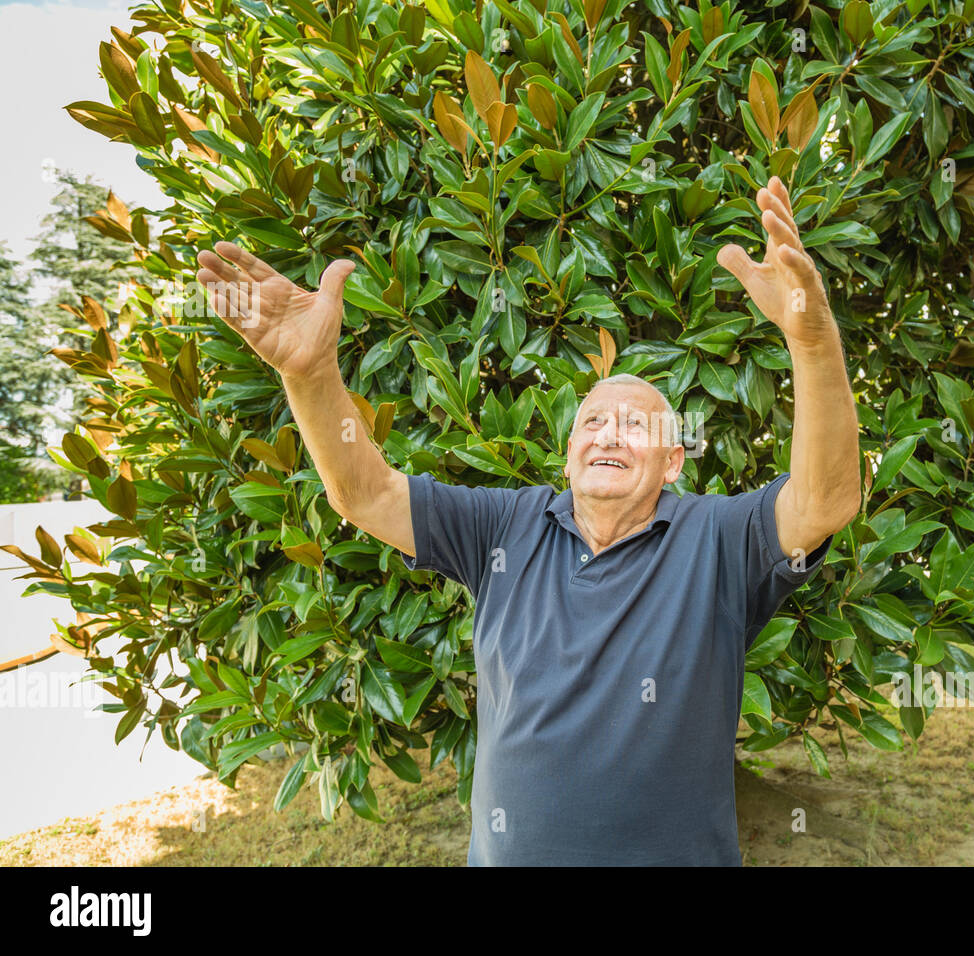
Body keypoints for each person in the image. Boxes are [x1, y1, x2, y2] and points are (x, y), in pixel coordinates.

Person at [196, 175, 862, 865]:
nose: (607, 434)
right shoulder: (505, 527)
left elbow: (827, 499)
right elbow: (365, 496)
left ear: (672, 464)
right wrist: (310, 375)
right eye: (592, 421)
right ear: (569, 452)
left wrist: (812, 344)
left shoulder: (719, 540)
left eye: (635, 425)